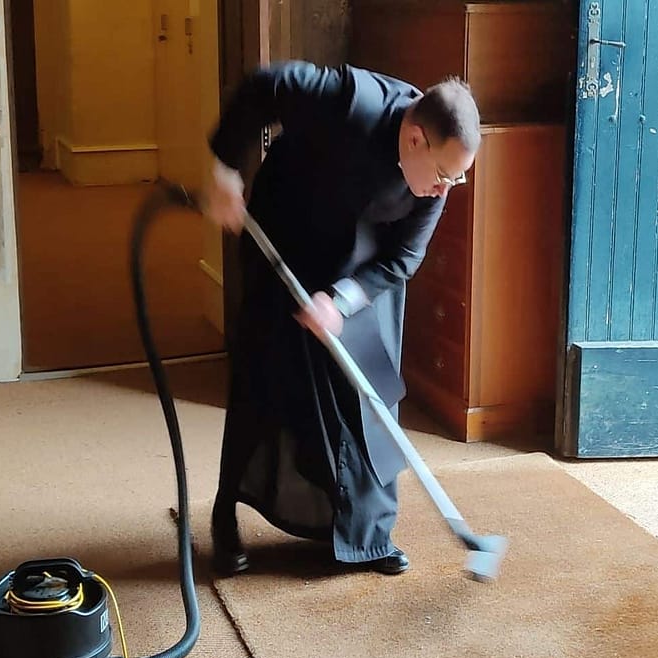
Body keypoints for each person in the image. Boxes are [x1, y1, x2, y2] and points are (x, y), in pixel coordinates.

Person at [202, 60, 480, 577]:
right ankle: (226, 517)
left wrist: (343, 300)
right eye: (444, 175)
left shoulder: (434, 184)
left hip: (359, 267)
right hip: (284, 235)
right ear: (416, 138)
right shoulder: (350, 101)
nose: (447, 189)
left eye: (457, 179)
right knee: (264, 375)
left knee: (366, 395)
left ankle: (370, 536)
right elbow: (263, 85)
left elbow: (403, 259)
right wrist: (225, 169)